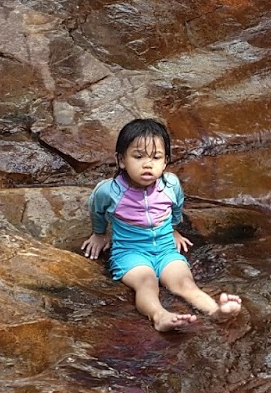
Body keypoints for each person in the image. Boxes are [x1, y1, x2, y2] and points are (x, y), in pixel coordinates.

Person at [81, 119, 243, 332]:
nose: (147, 164)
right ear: (121, 160)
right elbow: (96, 207)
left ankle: (217, 312)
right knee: (146, 283)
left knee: (185, 283)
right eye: (138, 157)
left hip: (166, 250)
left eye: (156, 157)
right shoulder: (109, 191)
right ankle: (159, 316)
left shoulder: (170, 184)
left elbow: (177, 206)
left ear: (165, 161)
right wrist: (99, 233)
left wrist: (174, 229)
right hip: (131, 253)